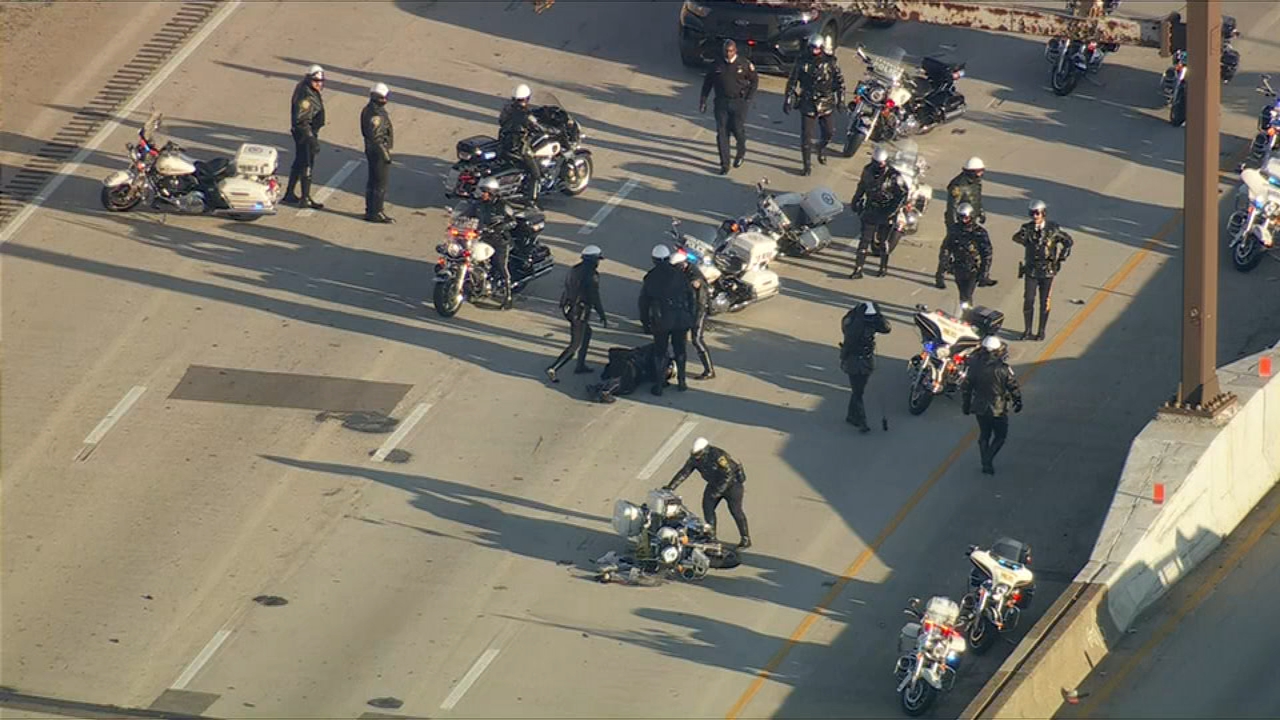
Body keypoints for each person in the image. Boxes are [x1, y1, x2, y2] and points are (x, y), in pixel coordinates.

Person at [665, 437, 751, 549]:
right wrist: (670, 487)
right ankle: (712, 537)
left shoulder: (718, 455)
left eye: (698, 454)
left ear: (705, 450)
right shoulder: (695, 458)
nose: (696, 456)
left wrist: (718, 491)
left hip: (732, 485)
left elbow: (728, 475)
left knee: (736, 511)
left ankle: (745, 538)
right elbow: (684, 472)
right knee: (707, 508)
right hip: (714, 484)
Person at [638, 244, 696, 395]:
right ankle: (682, 381)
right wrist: (691, 315)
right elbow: (691, 296)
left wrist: (645, 322)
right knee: (680, 350)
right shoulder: (679, 274)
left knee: (660, 351)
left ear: (654, 259)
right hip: (681, 318)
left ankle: (659, 384)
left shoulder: (650, 277)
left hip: (661, 320)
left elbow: (643, 303)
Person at [1012, 199, 1073, 341]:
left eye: (1037, 213)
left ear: (1043, 213)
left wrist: (1060, 258)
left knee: (1044, 301)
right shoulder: (1027, 228)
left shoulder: (1053, 229)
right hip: (1031, 269)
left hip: (1047, 270)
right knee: (1028, 299)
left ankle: (1041, 331)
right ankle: (1027, 330)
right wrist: (1026, 233)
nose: (1035, 216)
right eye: (1032, 213)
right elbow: (1016, 238)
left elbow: (1068, 242)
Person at [961, 336, 1023, 475]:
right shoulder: (1003, 368)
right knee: (1000, 436)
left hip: (979, 406)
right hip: (998, 407)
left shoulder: (974, 366)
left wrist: (966, 405)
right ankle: (987, 459)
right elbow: (1013, 386)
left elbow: (966, 387)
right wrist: (1017, 401)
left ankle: (985, 460)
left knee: (984, 434)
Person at [784, 35, 845, 176]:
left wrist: (841, 101)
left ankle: (821, 147)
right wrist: (788, 99)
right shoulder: (801, 62)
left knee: (829, 132)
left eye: (817, 48)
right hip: (808, 100)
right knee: (806, 136)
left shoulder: (831, 62)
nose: (815, 51)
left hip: (826, 100)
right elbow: (792, 82)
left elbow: (840, 83)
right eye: (812, 48)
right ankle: (806, 165)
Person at [547, 245, 607, 382]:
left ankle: (580, 365)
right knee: (575, 344)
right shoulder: (592, 276)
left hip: (568, 307)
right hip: (579, 312)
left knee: (587, 333)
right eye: (598, 259)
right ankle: (553, 368)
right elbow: (594, 297)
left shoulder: (575, 269)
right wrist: (602, 314)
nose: (598, 262)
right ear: (593, 260)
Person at [700, 40, 759, 175]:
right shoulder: (716, 64)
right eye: (726, 51)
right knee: (722, 133)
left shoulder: (744, 64)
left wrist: (748, 98)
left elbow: (754, 80)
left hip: (738, 102)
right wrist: (703, 100)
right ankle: (724, 164)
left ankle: (741, 151)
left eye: (731, 51)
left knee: (738, 130)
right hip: (721, 102)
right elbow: (707, 83)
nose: (728, 53)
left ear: (735, 51)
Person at [848, 147, 907, 279]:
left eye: (882, 163)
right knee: (864, 241)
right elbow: (862, 185)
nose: (880, 165)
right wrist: (856, 199)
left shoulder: (894, 175)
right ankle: (858, 269)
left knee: (883, 241)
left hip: (886, 211)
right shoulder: (867, 170)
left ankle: (883, 267)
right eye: (877, 162)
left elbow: (902, 194)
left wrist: (892, 211)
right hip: (871, 209)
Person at [840, 300, 891, 433]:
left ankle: (851, 415)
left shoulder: (868, 321)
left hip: (867, 359)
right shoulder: (853, 324)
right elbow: (849, 340)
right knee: (857, 391)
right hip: (854, 359)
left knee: (858, 390)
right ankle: (862, 421)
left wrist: (878, 318)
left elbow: (886, 328)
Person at [935, 157, 986, 288]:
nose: (981, 173)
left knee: (973, 248)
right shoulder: (958, 185)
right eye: (979, 171)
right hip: (958, 221)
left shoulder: (976, 183)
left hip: (971, 219)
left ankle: (977, 274)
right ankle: (940, 275)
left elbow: (976, 199)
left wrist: (980, 211)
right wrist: (953, 227)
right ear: (971, 171)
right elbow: (952, 207)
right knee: (950, 247)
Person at [284, 64, 327, 209]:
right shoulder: (306, 96)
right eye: (316, 81)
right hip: (305, 133)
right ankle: (305, 197)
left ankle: (290, 193)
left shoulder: (307, 89)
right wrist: (311, 139)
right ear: (309, 79)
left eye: (321, 81)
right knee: (307, 163)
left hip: (305, 132)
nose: (319, 84)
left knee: (299, 161)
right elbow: (302, 121)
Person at [940, 203, 994, 307]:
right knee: (962, 293)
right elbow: (946, 246)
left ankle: (967, 316)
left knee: (967, 294)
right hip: (958, 267)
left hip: (973, 268)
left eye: (966, 217)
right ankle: (964, 312)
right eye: (961, 217)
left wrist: (984, 272)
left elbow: (987, 253)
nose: (963, 220)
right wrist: (945, 263)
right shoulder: (954, 229)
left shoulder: (979, 232)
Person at [474, 176, 515, 309]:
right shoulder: (479, 205)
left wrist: (499, 227)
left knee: (500, 265)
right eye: (482, 191)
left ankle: (508, 297)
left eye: (485, 191)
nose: (482, 194)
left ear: (492, 192)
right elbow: (465, 214)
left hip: (499, 240)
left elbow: (512, 221)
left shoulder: (502, 206)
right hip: (482, 237)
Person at [498, 84, 543, 205]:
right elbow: (538, 128)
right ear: (527, 98)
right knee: (536, 173)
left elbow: (501, 121)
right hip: (519, 147)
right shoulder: (526, 115)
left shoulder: (506, 109)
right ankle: (532, 200)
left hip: (503, 142)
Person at [675, 250, 716, 380]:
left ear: (682, 265)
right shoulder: (687, 271)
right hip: (692, 309)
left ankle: (709, 370)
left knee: (697, 339)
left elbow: (694, 288)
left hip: (699, 310)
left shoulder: (693, 277)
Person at [360, 82, 394, 223]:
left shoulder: (369, 109)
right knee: (380, 183)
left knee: (373, 182)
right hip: (378, 152)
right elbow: (377, 138)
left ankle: (370, 210)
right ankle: (377, 212)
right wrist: (385, 155)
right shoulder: (376, 114)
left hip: (371, 150)